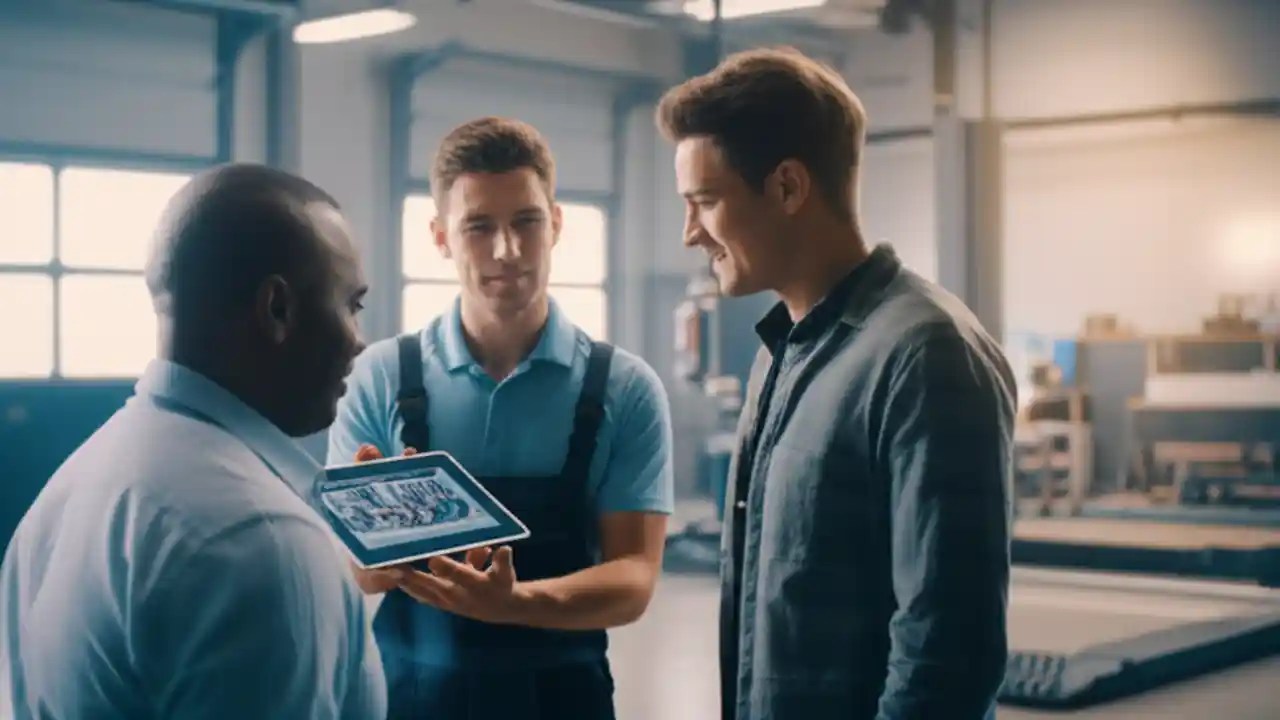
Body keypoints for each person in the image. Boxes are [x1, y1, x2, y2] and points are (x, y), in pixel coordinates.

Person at [655, 47, 1016, 720]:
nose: (689, 234)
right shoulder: (781, 351)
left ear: (789, 188)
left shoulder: (926, 355)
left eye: (705, 201)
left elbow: (947, 649)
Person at [0, 164, 386, 719]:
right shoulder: (264, 539)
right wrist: (310, 574)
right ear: (276, 308)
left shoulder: (75, 486)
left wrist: (345, 593)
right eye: (353, 304)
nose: (358, 340)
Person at [327, 116, 674, 719]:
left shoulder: (624, 388)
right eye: (478, 227)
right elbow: (351, 572)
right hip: (409, 698)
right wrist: (377, 551)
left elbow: (634, 579)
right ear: (440, 237)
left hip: (563, 700)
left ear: (557, 223)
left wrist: (516, 602)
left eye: (527, 223)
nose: (507, 250)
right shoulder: (380, 378)